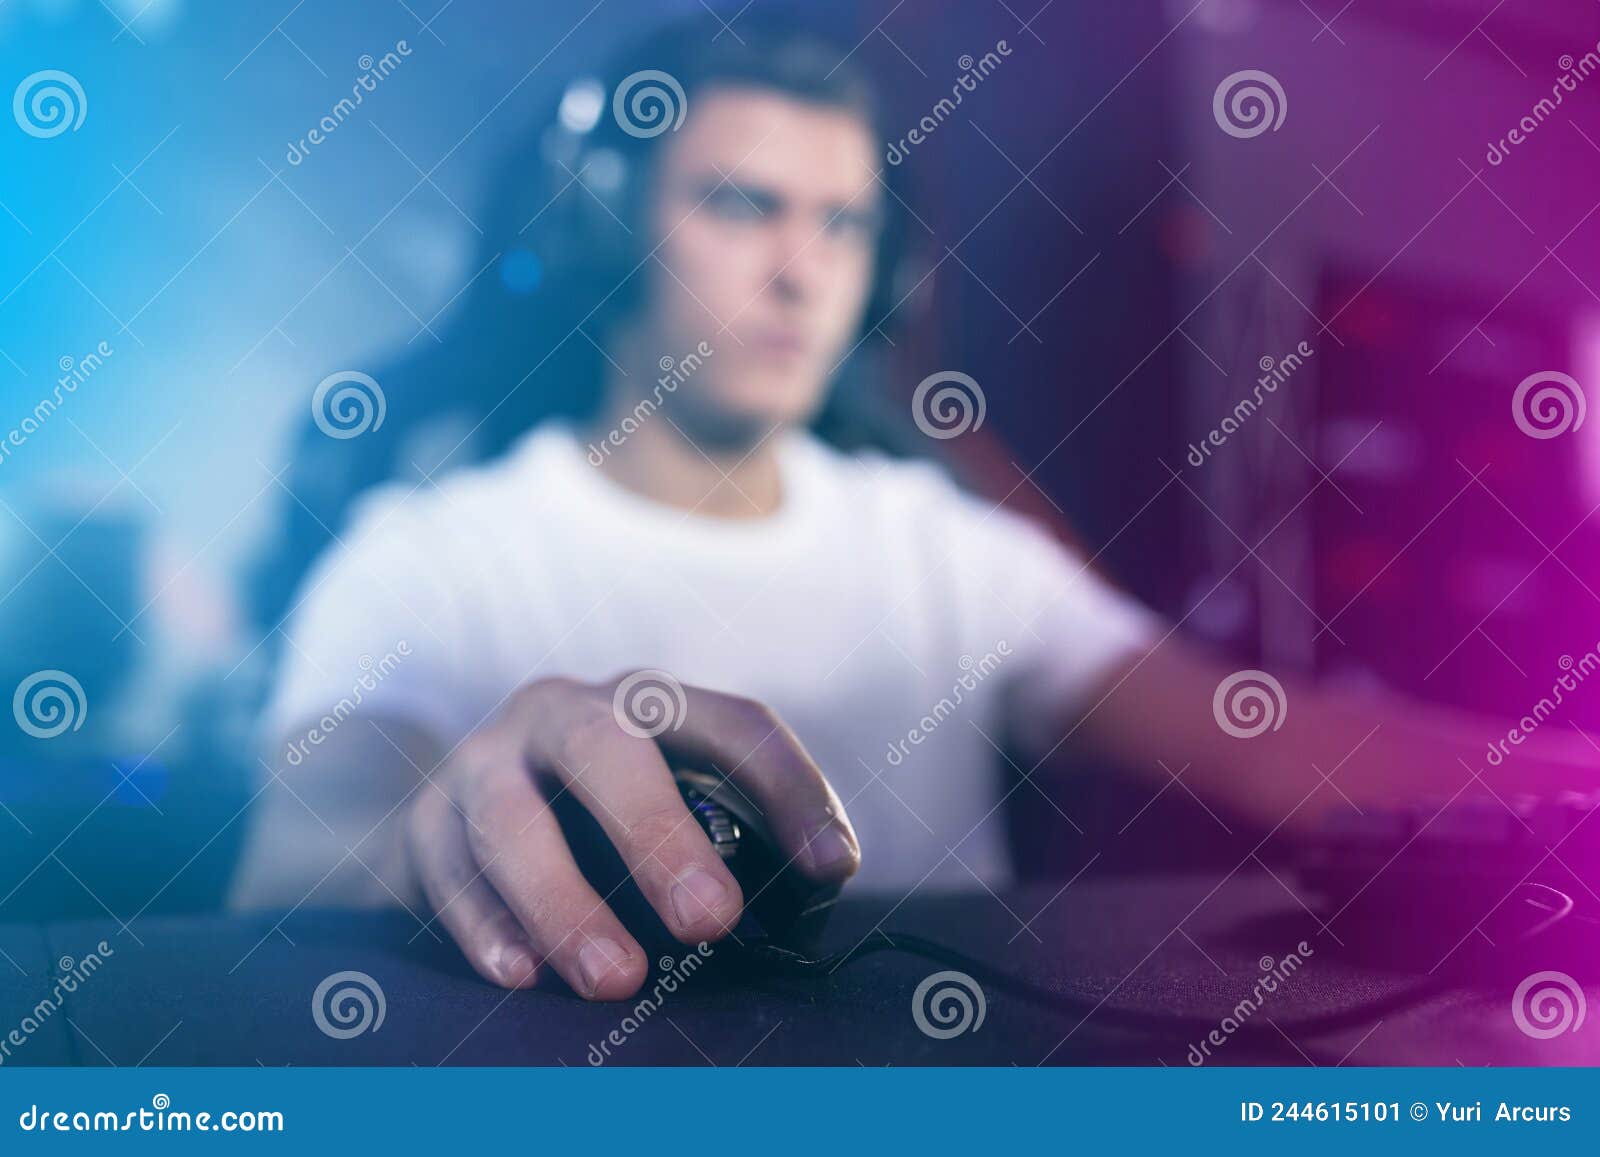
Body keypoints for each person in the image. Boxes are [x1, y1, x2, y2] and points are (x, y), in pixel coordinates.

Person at [230, 12, 1596, 1001]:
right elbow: (305, 848)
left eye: (840, 223)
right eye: (744, 204)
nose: (801, 270)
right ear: (610, 231)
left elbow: (1278, 742)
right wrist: (436, 823)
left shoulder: (934, 540)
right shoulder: (429, 554)